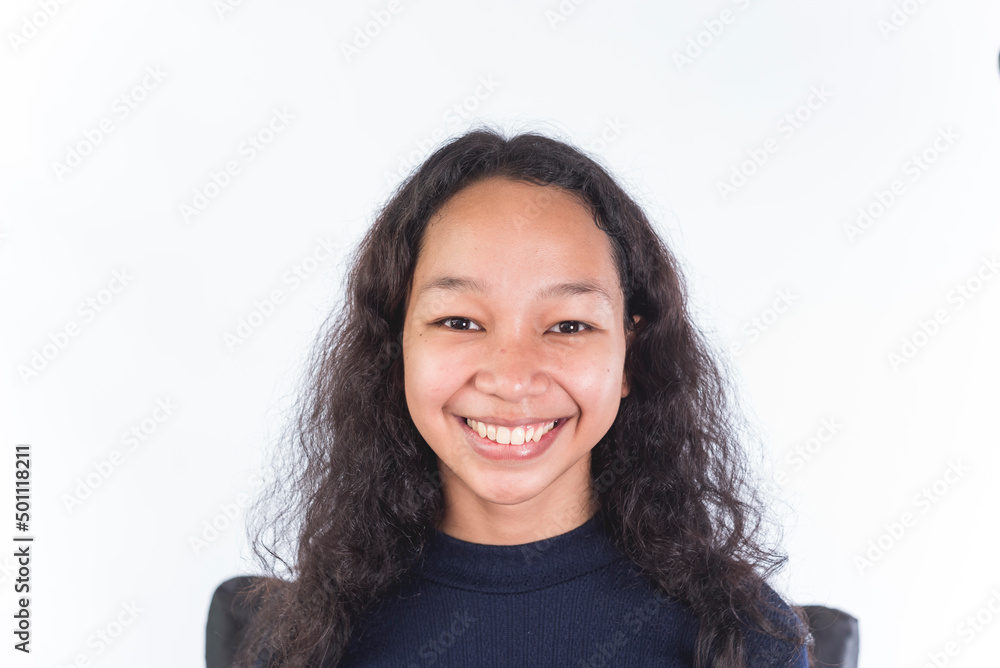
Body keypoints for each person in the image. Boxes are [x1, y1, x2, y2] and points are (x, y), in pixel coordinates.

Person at [232, 128, 813, 667]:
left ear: (631, 355)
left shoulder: (741, 639)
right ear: (397, 347)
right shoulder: (308, 642)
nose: (512, 380)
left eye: (568, 326)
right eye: (459, 322)